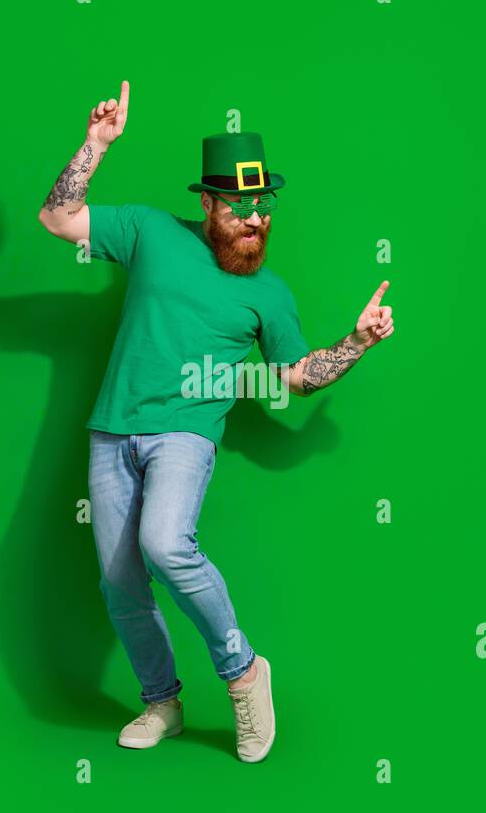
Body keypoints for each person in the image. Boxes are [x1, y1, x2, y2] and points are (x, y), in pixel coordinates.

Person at [37, 80, 395, 762]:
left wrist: (357, 342)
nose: (255, 221)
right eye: (239, 209)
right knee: (119, 581)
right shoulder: (149, 231)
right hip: (112, 428)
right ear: (207, 203)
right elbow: (59, 220)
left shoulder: (268, 294)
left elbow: (295, 376)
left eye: (264, 209)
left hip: (186, 434)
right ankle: (161, 702)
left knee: (166, 543)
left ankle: (242, 672)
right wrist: (97, 143)